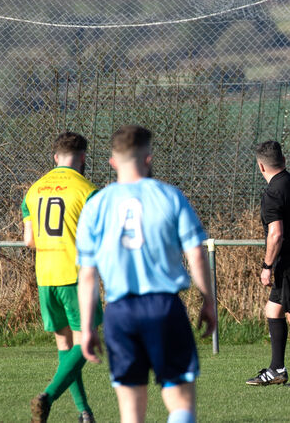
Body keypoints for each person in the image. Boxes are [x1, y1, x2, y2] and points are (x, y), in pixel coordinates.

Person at [76, 125, 216, 423]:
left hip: (120, 312)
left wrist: (87, 327)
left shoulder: (96, 205)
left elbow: (87, 274)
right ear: (148, 158)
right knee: (180, 403)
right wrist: (208, 300)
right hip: (163, 308)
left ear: (112, 162)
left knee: (131, 413)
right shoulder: (169, 196)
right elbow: (195, 253)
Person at [22, 131, 100, 423]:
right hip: (75, 275)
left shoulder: (33, 190)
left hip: (45, 276)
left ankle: (84, 413)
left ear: (56, 157)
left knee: (66, 347)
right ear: (83, 158)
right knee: (85, 341)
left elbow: (29, 240)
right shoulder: (87, 191)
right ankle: (48, 396)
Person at [245, 141, 290, 387]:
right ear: (283, 160)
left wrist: (267, 267)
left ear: (260, 166)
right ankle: (276, 369)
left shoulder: (272, 193)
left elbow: (275, 234)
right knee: (273, 310)